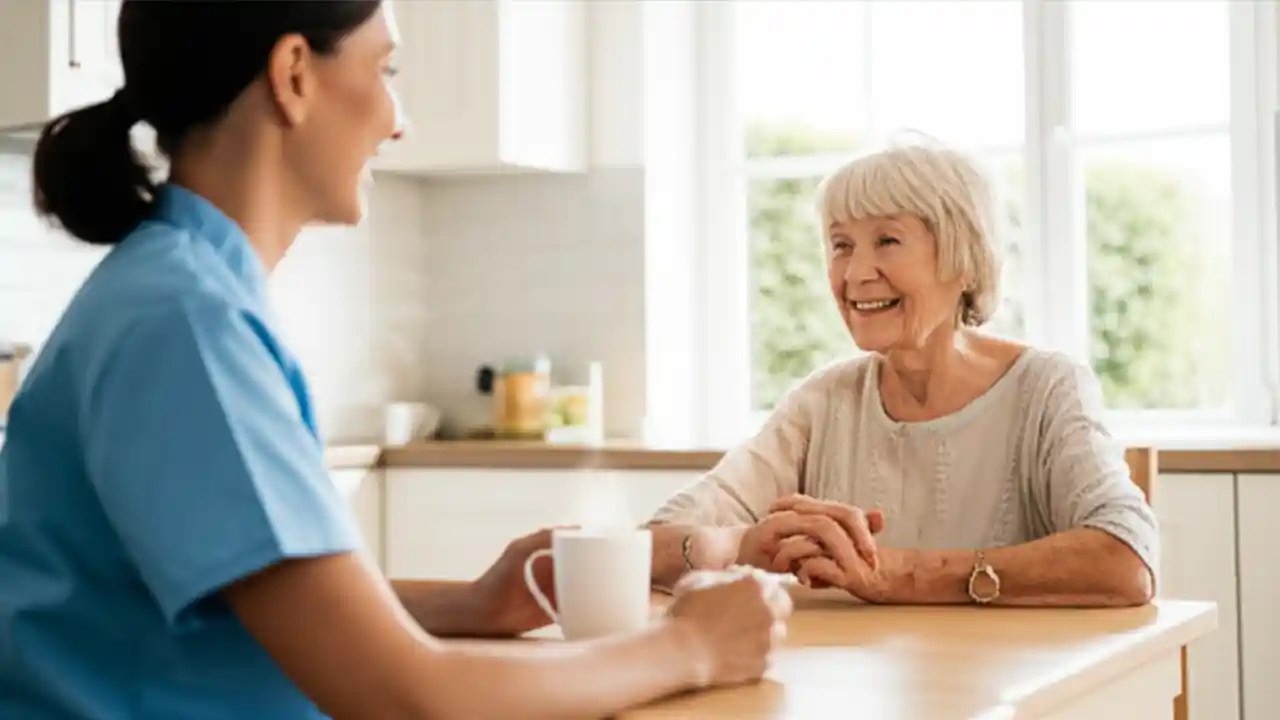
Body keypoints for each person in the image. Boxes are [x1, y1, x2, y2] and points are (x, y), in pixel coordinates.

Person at [0, 3, 790, 719]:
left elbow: (272, 619)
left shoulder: (180, 292)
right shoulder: (185, 323)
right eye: (385, 71)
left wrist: (475, 605)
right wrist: (687, 647)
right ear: (294, 76)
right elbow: (404, 694)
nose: (398, 119)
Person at [649, 141, 1158, 608]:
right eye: (842, 245)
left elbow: (1126, 561)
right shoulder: (824, 400)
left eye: (887, 240)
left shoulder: (1047, 387)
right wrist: (736, 545)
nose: (855, 274)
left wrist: (901, 575)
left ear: (964, 259)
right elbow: (651, 544)